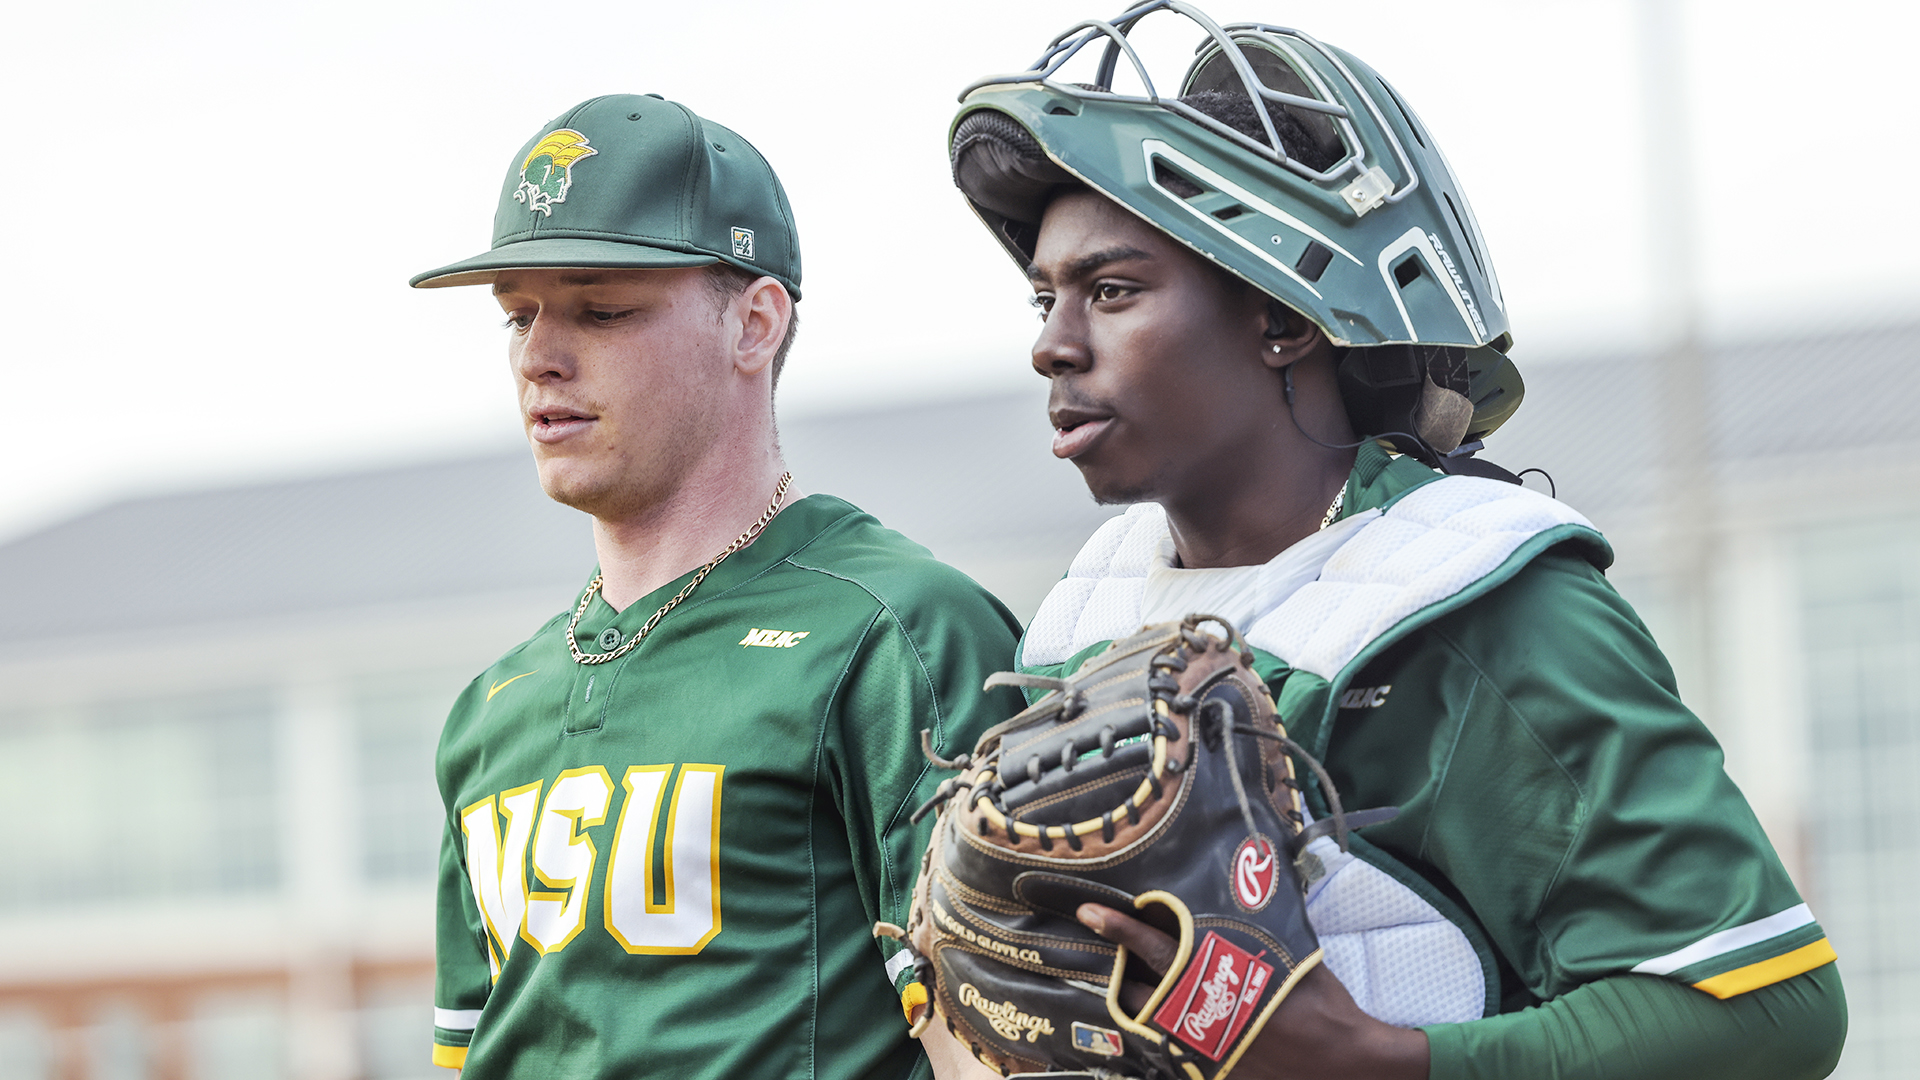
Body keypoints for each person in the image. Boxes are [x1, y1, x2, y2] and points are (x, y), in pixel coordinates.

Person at [926, 6, 1847, 1078]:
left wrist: (1369, 1060)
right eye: (1044, 298)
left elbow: (1769, 1007)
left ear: (1284, 319)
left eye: (1112, 291)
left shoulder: (1479, 601)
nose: (1052, 345)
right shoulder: (1081, 626)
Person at [408, 93, 1025, 1078]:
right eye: (518, 315)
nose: (539, 357)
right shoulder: (492, 709)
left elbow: (1003, 1054)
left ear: (754, 323)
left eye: (601, 309)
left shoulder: (899, 630)